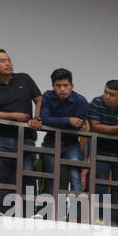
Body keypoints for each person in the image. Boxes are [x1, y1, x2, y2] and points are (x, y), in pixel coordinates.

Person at [0, 49, 41, 209]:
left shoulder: (24, 78)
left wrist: (37, 118)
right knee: (3, 176)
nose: (7, 63)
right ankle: (4, 211)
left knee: (28, 175)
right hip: (1, 137)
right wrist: (15, 116)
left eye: (8, 60)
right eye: (2, 61)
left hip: (26, 136)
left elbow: (39, 99)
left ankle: (30, 211)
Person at [32, 68, 89, 208]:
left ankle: (78, 212)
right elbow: (45, 119)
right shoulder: (47, 96)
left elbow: (78, 124)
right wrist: (68, 120)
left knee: (75, 176)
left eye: (66, 85)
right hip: (51, 142)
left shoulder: (80, 100)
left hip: (71, 144)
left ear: (72, 86)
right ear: (53, 86)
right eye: (58, 86)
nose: (62, 89)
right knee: (52, 176)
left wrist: (60, 121)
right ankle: (52, 209)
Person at [86, 79, 118, 223]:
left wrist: (107, 129)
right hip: (100, 150)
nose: (106, 96)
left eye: (112, 94)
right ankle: (101, 217)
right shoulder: (97, 102)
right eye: (105, 92)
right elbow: (95, 126)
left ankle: (113, 218)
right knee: (100, 184)